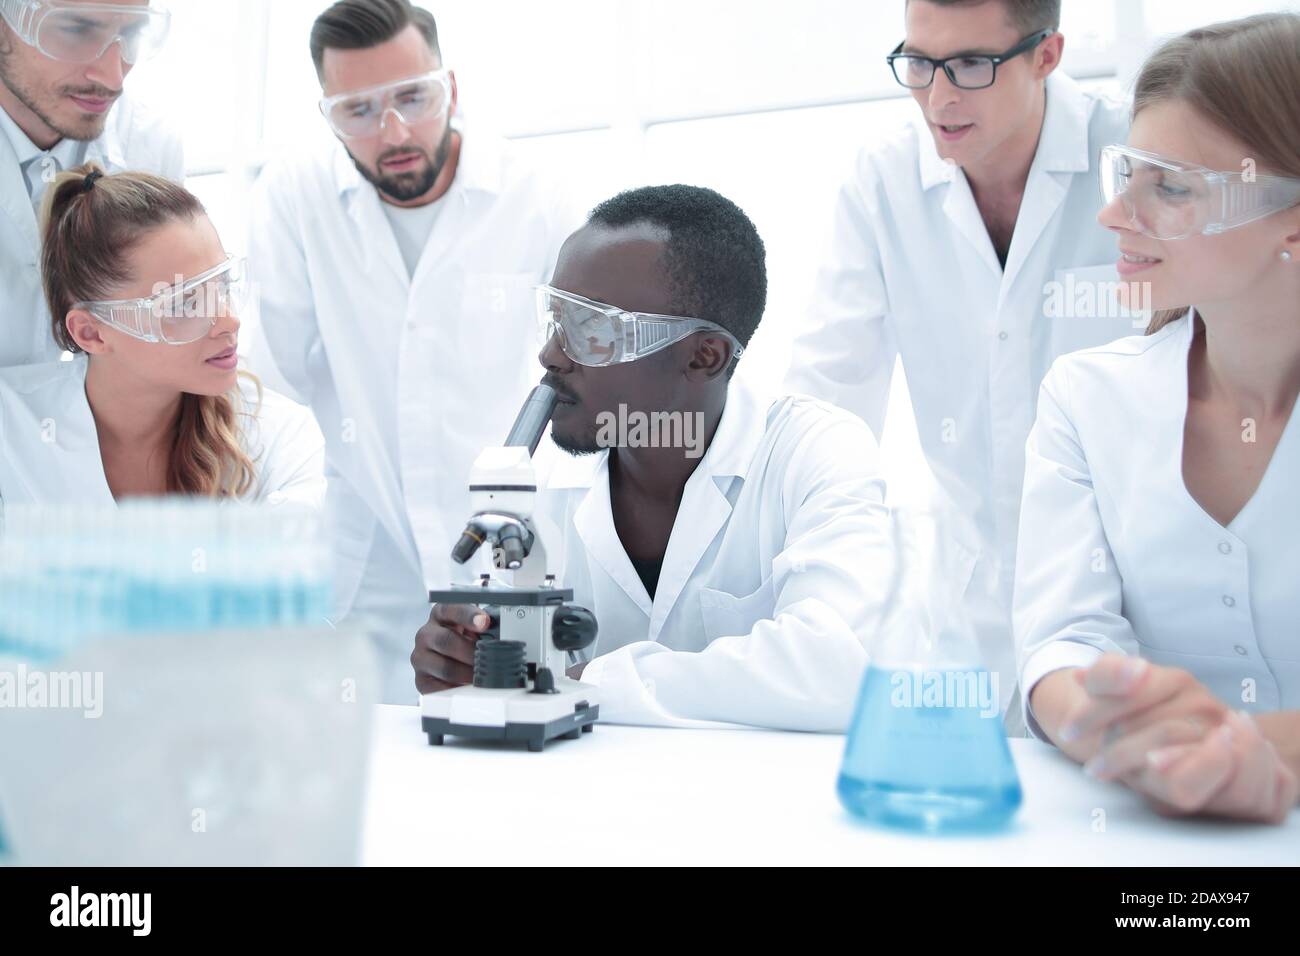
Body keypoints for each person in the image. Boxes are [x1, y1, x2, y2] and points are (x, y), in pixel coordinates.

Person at [412, 185, 896, 731]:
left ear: (702, 357)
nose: (550, 355)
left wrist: (580, 686)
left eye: (591, 331)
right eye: (556, 322)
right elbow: (502, 649)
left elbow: (840, 669)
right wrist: (466, 660)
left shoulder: (815, 454)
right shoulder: (540, 484)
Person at [782, 0, 1131, 731]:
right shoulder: (883, 180)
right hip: (966, 615)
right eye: (918, 64)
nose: (938, 99)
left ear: (1048, 54)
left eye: (972, 65)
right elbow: (829, 398)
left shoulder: (1131, 156)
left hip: (1130, 601)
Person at [245, 0, 579, 700]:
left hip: (508, 545)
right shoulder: (294, 195)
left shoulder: (534, 192)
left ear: (450, 88)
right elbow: (268, 388)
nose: (392, 131)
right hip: (364, 562)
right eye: (356, 111)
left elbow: (582, 372)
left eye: (412, 97)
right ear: (327, 117)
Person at [1014, 13, 1300, 823]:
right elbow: (1061, 642)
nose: (1114, 217)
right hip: (1155, 841)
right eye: (1127, 175)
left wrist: (1260, 752)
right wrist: (1102, 720)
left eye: (1171, 188)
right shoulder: (1085, 397)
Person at [0, 164, 324, 510]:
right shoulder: (11, 430)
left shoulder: (279, 438)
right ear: (91, 332)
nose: (229, 321)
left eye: (223, 286)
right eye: (184, 303)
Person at [1, 0, 183, 367]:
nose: (113, 77)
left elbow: (163, 348)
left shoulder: (151, 146)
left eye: (130, 33)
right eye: (76, 30)